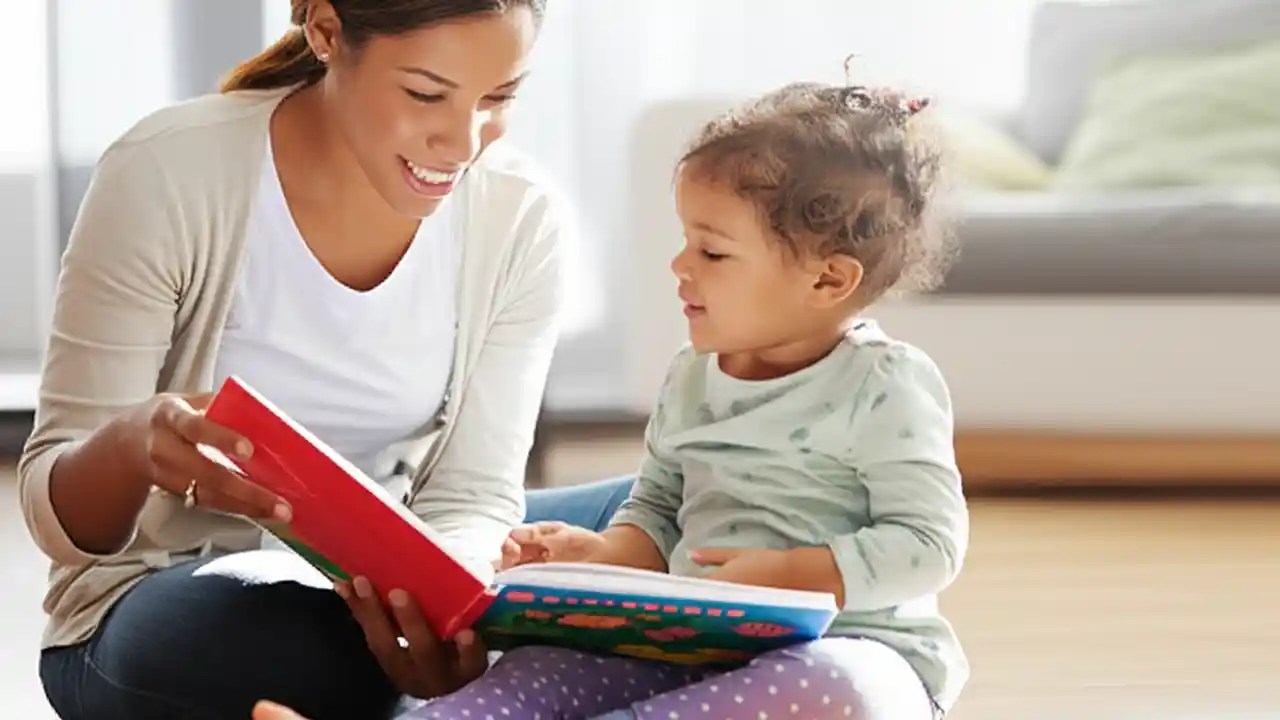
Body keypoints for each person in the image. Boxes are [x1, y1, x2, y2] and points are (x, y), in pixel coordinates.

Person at [18, 1, 634, 718]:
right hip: (169, 598)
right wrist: (131, 448)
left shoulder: (519, 217)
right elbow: (56, 514)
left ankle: (450, 690)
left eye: (498, 98)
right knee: (287, 636)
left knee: (682, 517)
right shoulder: (167, 172)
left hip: (400, 551)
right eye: (426, 94)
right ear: (327, 32)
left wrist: (452, 602)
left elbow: (471, 494)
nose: (464, 143)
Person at [414, 81, 970, 719]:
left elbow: (929, 543)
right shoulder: (692, 377)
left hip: (856, 648)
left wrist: (792, 572)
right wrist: (599, 555)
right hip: (687, 649)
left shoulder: (885, 386)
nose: (680, 265)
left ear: (827, 278)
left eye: (712, 251)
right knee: (537, 668)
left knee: (844, 692)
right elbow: (657, 509)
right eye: (686, 242)